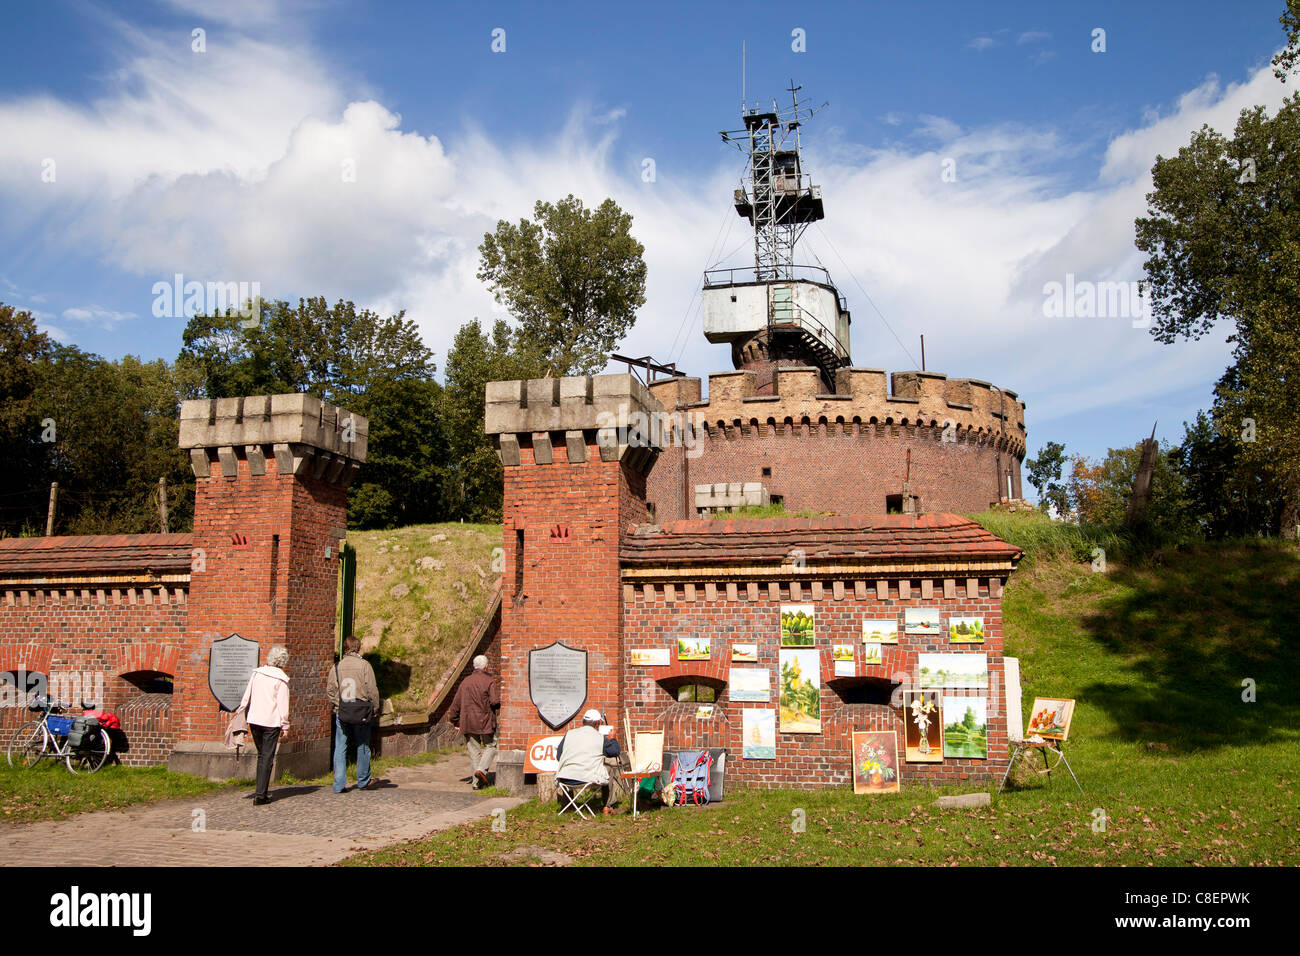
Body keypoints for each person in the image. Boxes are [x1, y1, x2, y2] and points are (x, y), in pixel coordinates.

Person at [326, 635, 381, 793]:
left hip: (342, 710)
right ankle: (363, 780)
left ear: (345, 648)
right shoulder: (365, 666)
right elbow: (372, 689)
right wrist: (375, 708)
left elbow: (330, 689)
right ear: (358, 648)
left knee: (340, 746)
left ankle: (339, 783)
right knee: (363, 744)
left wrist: (337, 704)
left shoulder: (336, 667)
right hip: (362, 710)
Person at [239, 646, 290, 806]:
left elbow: (247, 695)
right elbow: (283, 705)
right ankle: (260, 795)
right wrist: (285, 726)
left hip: (254, 719)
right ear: (283, 661)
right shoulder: (281, 679)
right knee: (267, 757)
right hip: (271, 721)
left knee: (262, 755)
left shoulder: (257, 673)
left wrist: (242, 712)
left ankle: (261, 790)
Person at [447, 655, 499, 789]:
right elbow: (495, 701)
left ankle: (477, 783)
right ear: (486, 666)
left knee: (474, 751)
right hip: (485, 721)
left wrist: (455, 720)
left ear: (474, 666)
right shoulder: (489, 681)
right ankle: (481, 769)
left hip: (468, 722)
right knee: (491, 746)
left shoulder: (465, 682)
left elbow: (456, 703)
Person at [554, 709, 620, 815]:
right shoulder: (599, 737)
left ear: (583, 721)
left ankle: (567, 806)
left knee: (569, 768)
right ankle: (607, 806)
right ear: (597, 723)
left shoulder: (569, 734)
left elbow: (559, 756)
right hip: (588, 778)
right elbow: (615, 752)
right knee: (609, 769)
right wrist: (613, 739)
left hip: (565, 778)